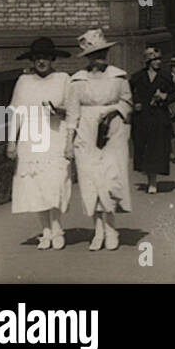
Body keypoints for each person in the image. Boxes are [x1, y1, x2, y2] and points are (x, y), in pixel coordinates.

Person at [7, 37, 75, 250]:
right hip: (31, 137)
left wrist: (59, 110)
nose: (41, 62)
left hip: (55, 134)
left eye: (45, 57)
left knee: (55, 181)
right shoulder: (24, 81)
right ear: (32, 60)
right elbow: (15, 112)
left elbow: (73, 109)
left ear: (52, 59)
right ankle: (45, 231)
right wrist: (11, 142)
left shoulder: (63, 79)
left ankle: (57, 228)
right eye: (37, 58)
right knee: (35, 185)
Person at [69, 29, 133, 250]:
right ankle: (97, 230)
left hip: (113, 132)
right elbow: (72, 114)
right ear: (87, 57)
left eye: (103, 53)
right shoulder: (77, 81)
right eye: (95, 54)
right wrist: (69, 143)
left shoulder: (118, 77)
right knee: (90, 182)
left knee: (110, 180)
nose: (100, 58)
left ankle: (111, 229)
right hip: (86, 133)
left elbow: (127, 102)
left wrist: (113, 111)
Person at [129, 46, 175, 194]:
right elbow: (127, 92)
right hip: (142, 117)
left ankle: (153, 182)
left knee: (156, 149)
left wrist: (165, 97)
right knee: (144, 147)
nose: (158, 62)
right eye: (155, 59)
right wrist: (134, 103)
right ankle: (148, 177)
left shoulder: (166, 76)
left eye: (159, 59)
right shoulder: (137, 77)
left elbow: (174, 94)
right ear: (148, 61)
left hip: (159, 117)